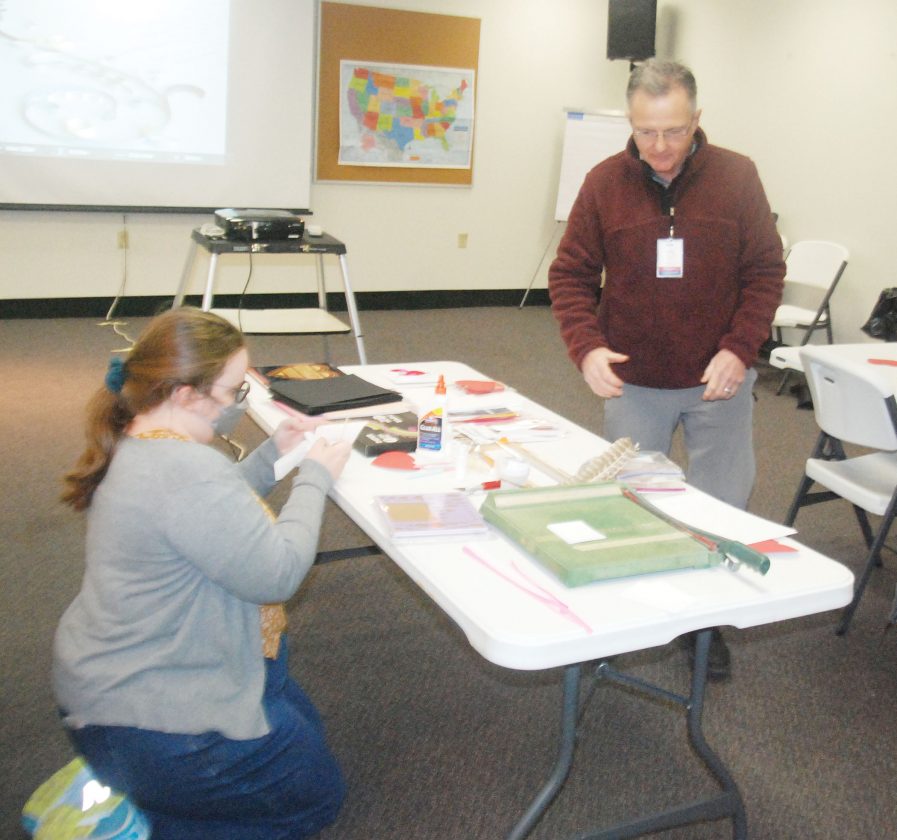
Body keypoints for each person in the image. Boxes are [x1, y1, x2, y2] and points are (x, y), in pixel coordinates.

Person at [53, 307, 352, 838]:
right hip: (157, 724)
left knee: (294, 718)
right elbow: (278, 572)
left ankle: (133, 786)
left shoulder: (140, 437)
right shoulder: (186, 469)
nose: (237, 404)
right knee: (316, 800)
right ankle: (140, 818)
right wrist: (315, 478)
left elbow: (203, 514)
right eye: (234, 390)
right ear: (187, 395)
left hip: (111, 693)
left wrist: (273, 454)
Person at [548, 60, 785, 679]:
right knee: (627, 504)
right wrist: (587, 347)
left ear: (697, 120)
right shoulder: (604, 182)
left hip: (719, 379)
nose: (659, 148)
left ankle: (704, 624)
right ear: (631, 123)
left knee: (721, 505)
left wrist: (740, 348)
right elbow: (570, 274)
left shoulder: (737, 177)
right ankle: (627, 613)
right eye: (646, 132)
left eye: (674, 131)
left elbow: (764, 272)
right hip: (636, 377)